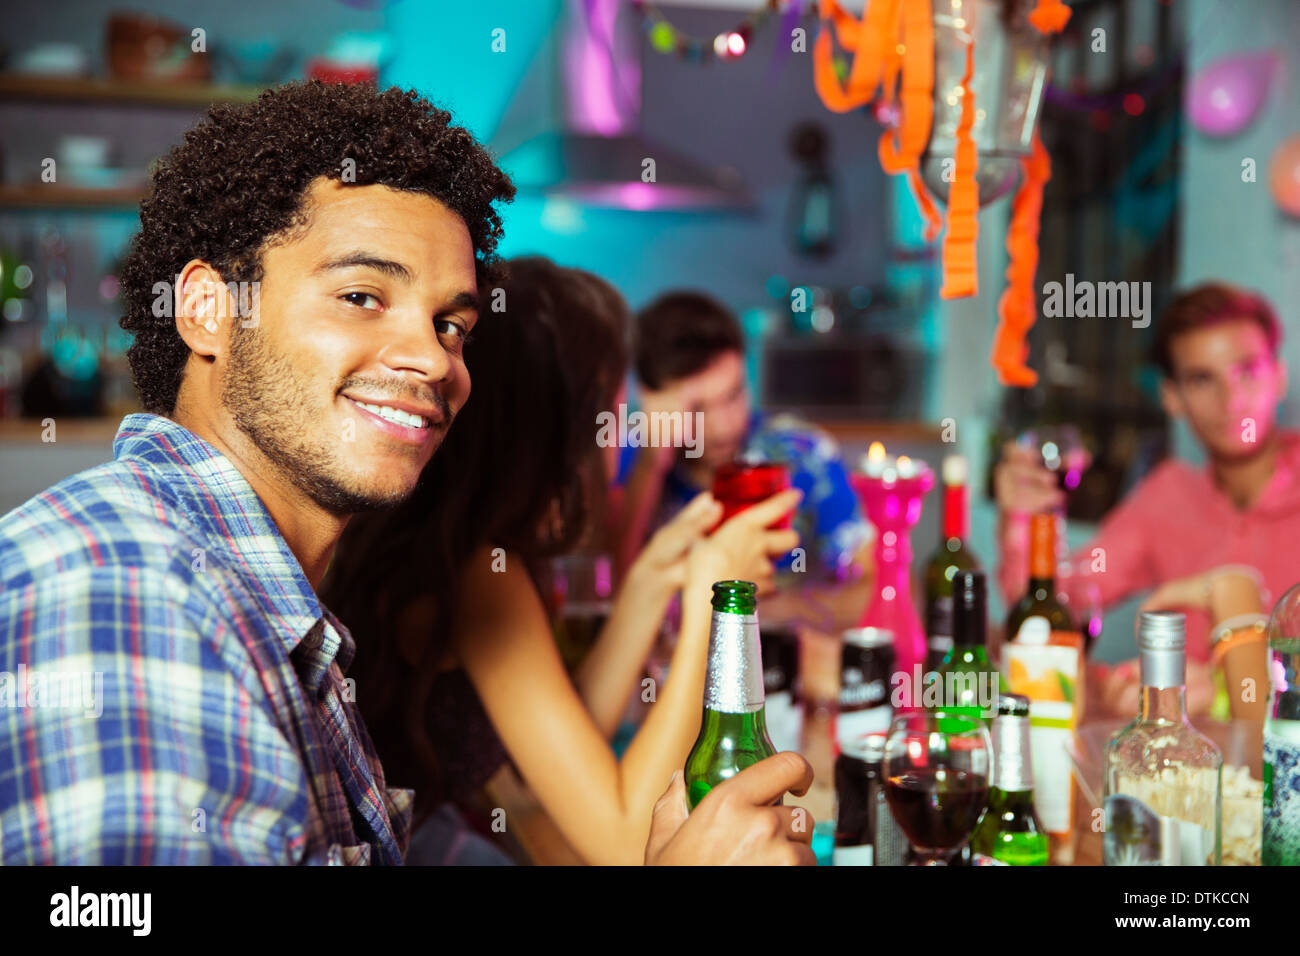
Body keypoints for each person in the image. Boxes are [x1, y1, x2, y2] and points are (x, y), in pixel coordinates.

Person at [0, 82, 814, 866]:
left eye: (452, 324)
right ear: (209, 310)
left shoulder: (263, 609)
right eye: (361, 296)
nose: (433, 358)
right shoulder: (126, 595)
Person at [322, 257, 803, 865]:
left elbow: (561, 750)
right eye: (611, 416)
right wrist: (715, 600)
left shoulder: (458, 549)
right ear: (554, 435)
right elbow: (625, 841)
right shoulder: (479, 576)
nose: (618, 438)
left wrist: (649, 583)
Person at [995, 283, 1293, 716]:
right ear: (1172, 397)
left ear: (1279, 376)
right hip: (1192, 756)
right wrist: (1023, 524)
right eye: (1202, 378)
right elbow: (1057, 605)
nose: (1230, 399)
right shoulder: (1168, 497)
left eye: (1247, 370)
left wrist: (1223, 692)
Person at [616, 291, 873, 621]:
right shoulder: (629, 462)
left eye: (733, 394)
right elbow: (611, 594)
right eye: (697, 409)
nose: (724, 426)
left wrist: (771, 610)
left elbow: (878, 585)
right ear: (651, 402)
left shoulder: (802, 455)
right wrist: (651, 463)